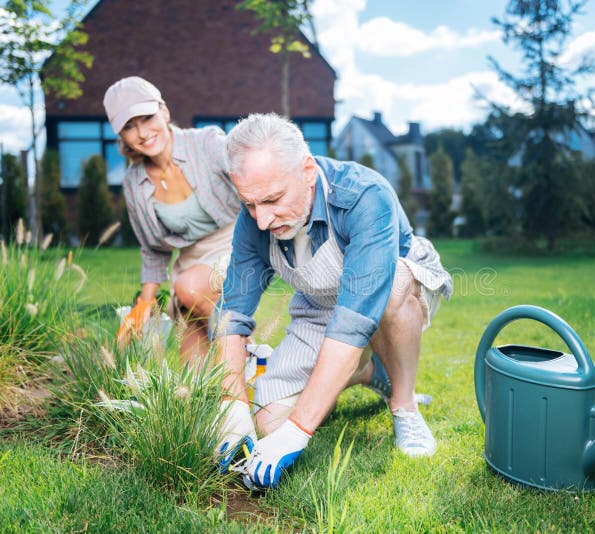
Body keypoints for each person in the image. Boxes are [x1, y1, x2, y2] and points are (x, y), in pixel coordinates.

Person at [209, 113, 452, 489]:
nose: (261, 220)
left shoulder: (364, 196)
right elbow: (232, 315)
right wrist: (233, 408)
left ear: (307, 170)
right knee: (269, 421)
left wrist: (299, 432)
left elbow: (354, 321)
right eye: (251, 204)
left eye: (273, 200)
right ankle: (368, 372)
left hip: (398, 288)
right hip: (320, 304)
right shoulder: (253, 221)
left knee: (394, 287)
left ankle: (404, 404)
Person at [103, 76, 241, 365]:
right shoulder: (134, 184)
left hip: (239, 243)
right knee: (193, 380)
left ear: (163, 110)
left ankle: (248, 358)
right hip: (190, 262)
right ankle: (253, 366)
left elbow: (249, 173)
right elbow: (153, 250)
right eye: (129, 126)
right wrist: (143, 306)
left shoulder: (206, 143)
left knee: (188, 288)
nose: (141, 133)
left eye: (147, 118)